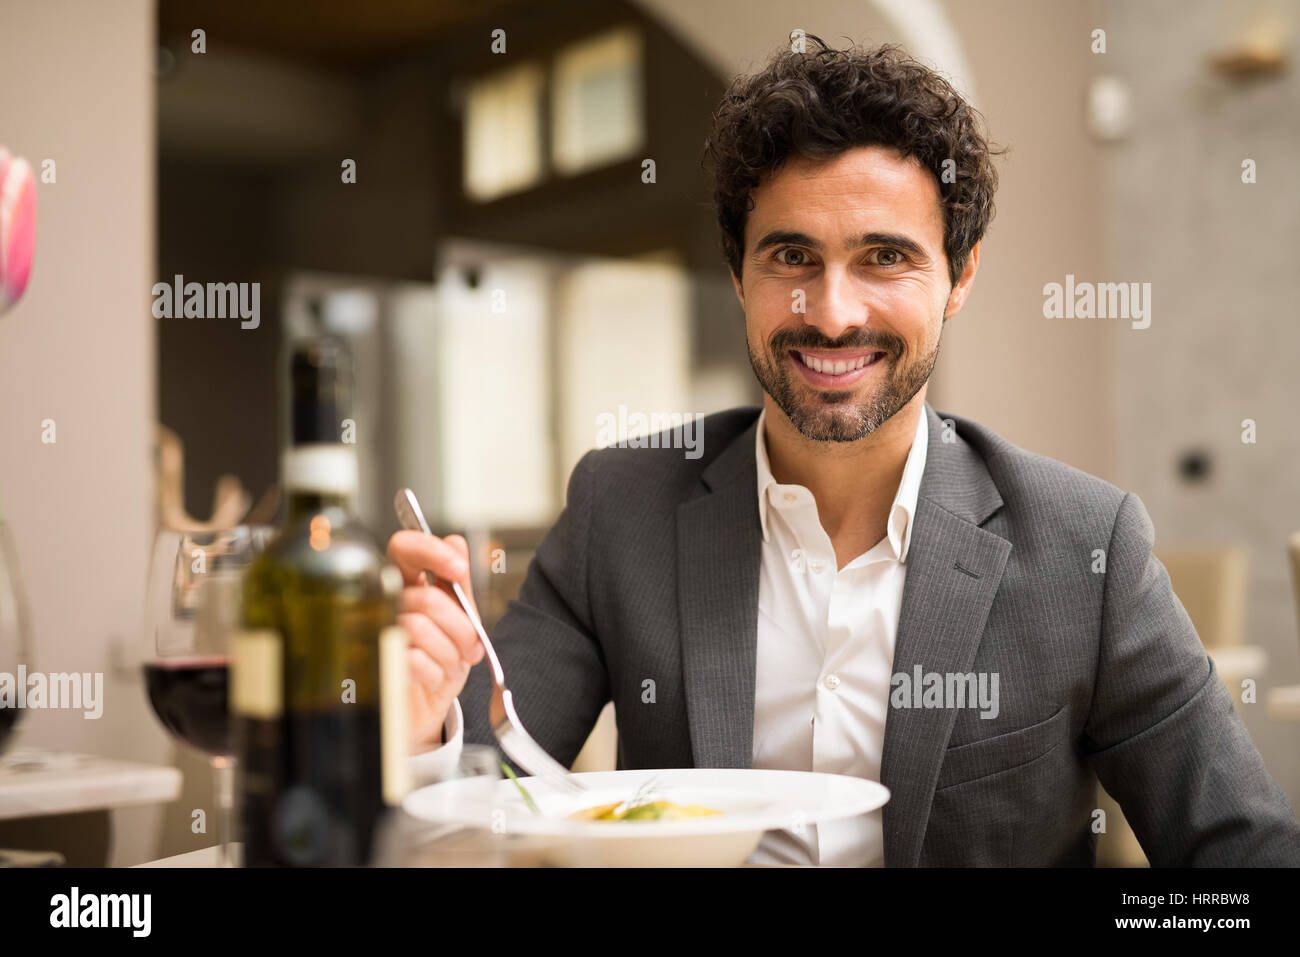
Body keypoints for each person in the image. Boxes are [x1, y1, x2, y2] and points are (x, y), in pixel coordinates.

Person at [390, 37, 1300, 866]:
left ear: (960, 273)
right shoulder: (618, 507)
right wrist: (428, 714)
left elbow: (1241, 859)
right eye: (791, 256)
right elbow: (485, 802)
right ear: (738, 269)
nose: (832, 312)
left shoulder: (1085, 548)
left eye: (885, 257)